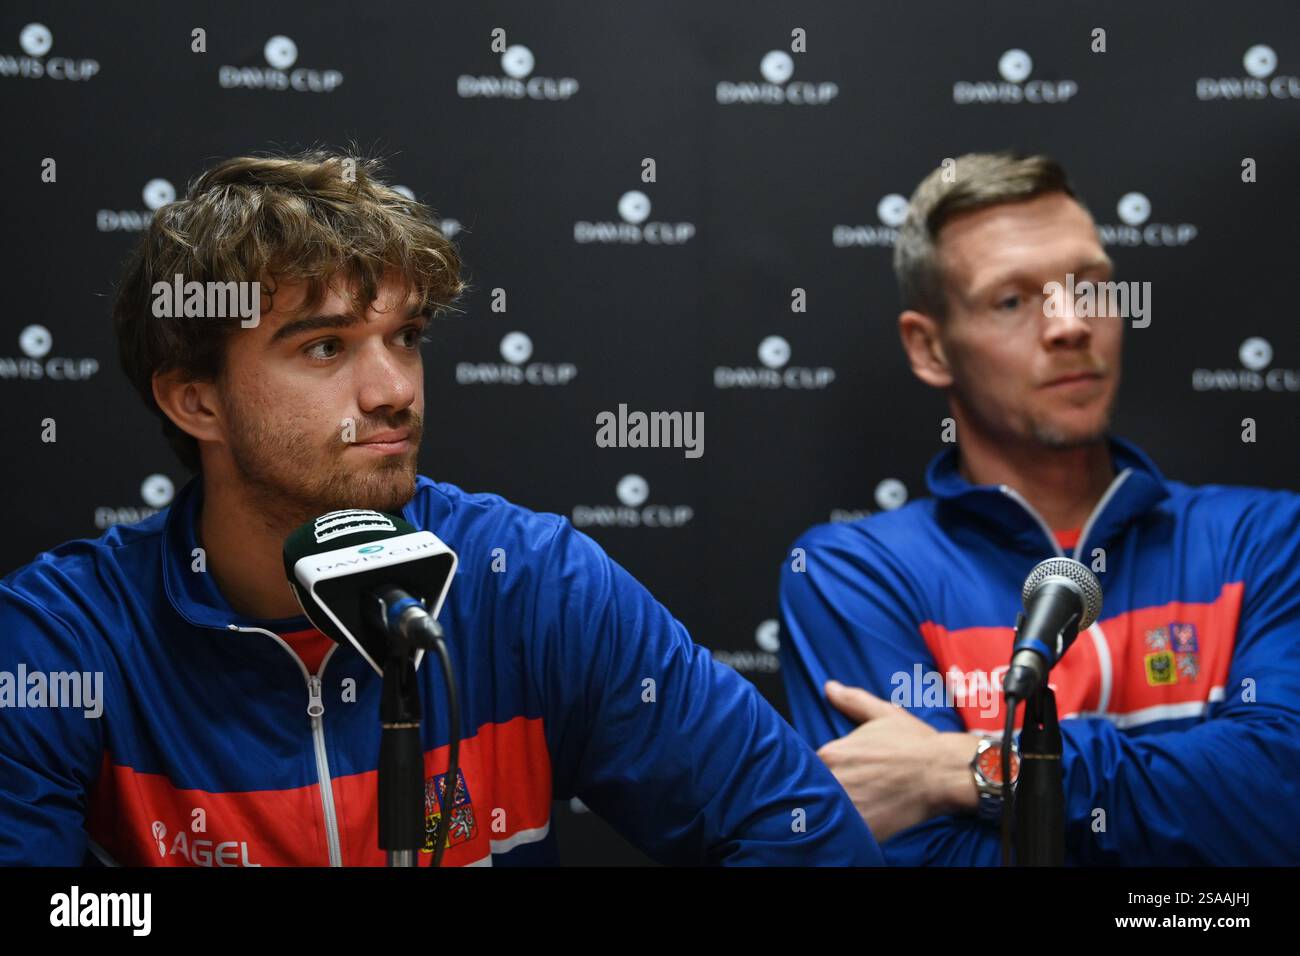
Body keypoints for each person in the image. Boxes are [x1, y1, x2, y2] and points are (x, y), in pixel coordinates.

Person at [0, 149, 880, 867]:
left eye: (406, 338)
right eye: (325, 346)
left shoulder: (530, 583)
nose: (394, 392)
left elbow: (803, 837)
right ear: (196, 403)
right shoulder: (66, 638)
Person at [779, 151, 1300, 865]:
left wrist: (958, 768)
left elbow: (1281, 798)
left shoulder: (1263, 539)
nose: (1070, 326)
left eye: (1089, 287)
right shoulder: (855, 572)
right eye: (1013, 301)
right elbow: (922, 861)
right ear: (930, 349)